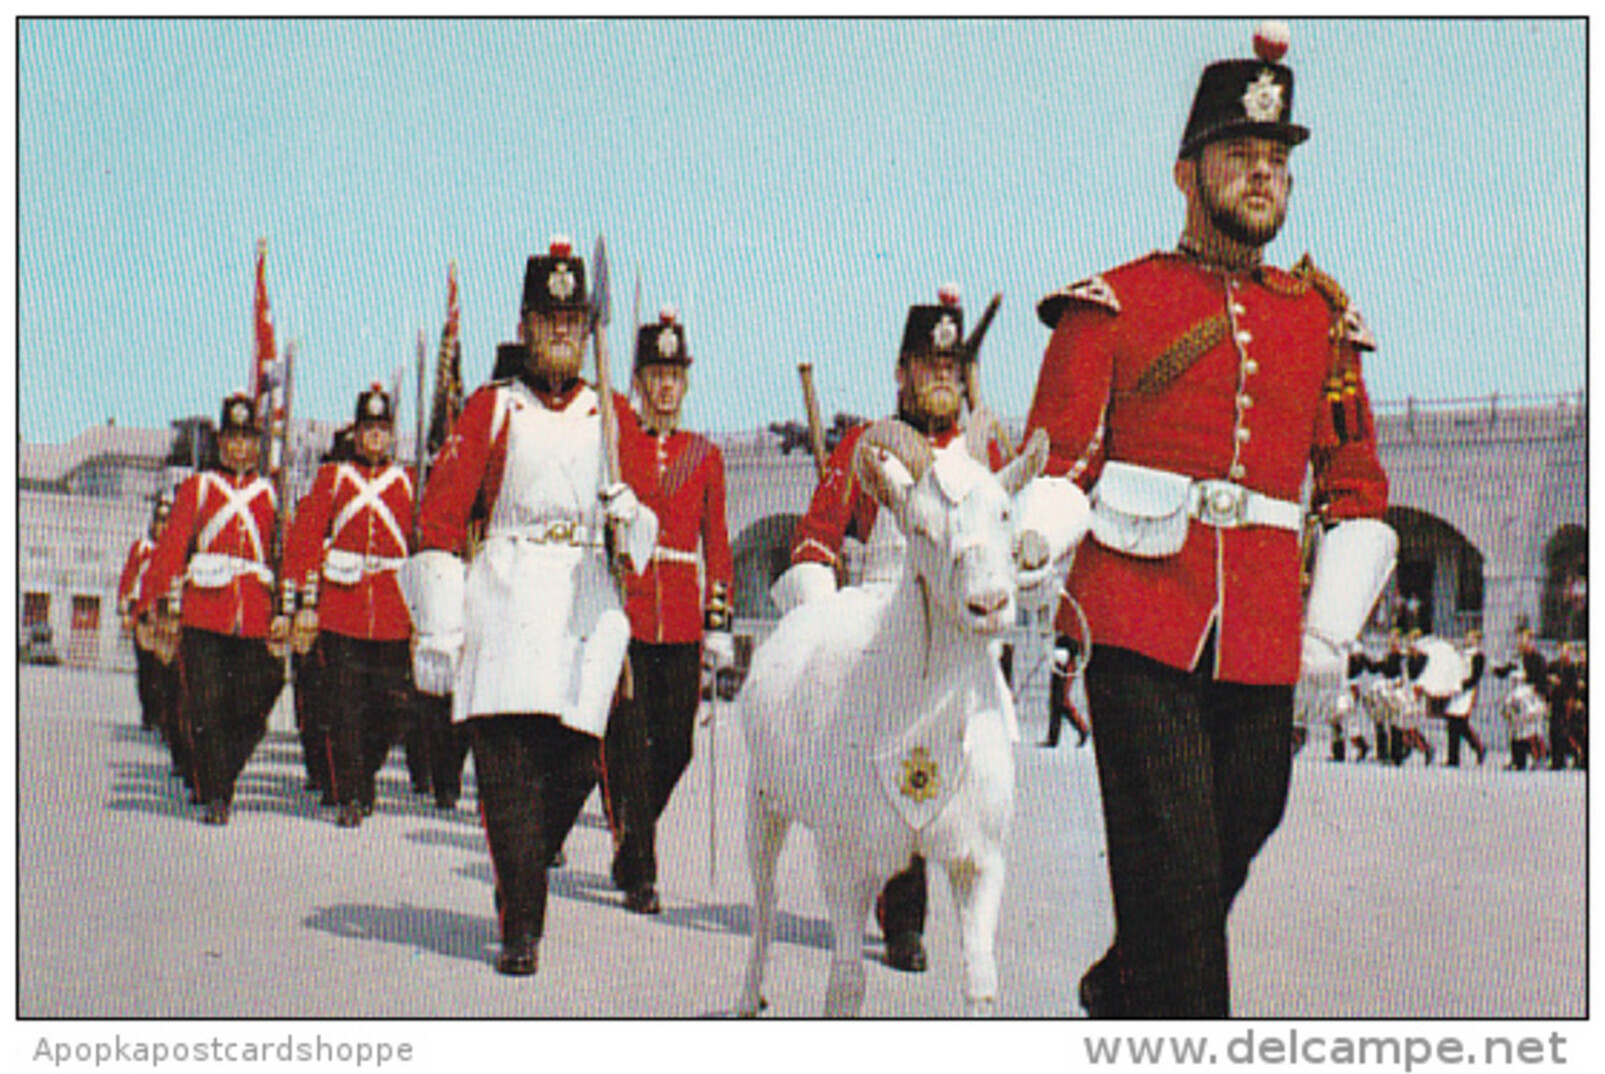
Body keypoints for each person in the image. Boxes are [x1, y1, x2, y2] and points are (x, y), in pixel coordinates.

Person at [1023, 23, 1393, 1017]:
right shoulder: (1113, 304)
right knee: (1178, 859)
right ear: (1187, 173)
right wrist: (1027, 546)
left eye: (1276, 161)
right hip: (1137, 613)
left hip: (1265, 629)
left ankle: (1124, 982)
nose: (1263, 176)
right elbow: (1058, 463)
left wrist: (1331, 628)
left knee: (1240, 822)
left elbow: (1355, 480)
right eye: (1240, 155)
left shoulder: (1321, 321)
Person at [402, 236, 657, 976]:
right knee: (507, 771)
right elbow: (441, 517)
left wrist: (627, 508)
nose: (560, 335)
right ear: (523, 325)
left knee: (576, 764)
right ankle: (522, 924)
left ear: (586, 330)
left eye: (572, 322)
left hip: (581, 597)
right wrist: (440, 628)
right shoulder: (494, 407)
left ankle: (520, 872)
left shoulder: (611, 414)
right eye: (547, 321)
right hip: (508, 595)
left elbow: (646, 533)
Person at [770, 282, 1022, 976]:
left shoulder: (984, 454)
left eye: (950, 367)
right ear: (901, 372)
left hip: (962, 636)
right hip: (882, 627)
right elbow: (814, 543)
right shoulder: (865, 448)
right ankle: (901, 919)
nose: (939, 378)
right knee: (893, 775)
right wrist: (820, 623)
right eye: (926, 365)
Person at [605, 306, 735, 915]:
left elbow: (718, 539)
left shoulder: (704, 455)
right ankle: (642, 873)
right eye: (654, 373)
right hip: (629, 609)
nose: (665, 384)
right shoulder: (619, 443)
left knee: (677, 746)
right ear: (639, 380)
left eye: (674, 374)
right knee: (631, 744)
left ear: (685, 382)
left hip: (681, 615)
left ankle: (630, 841)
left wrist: (719, 617)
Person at [137, 391, 286, 825]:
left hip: (253, 615)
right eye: (232, 439)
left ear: (257, 443)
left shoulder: (270, 494)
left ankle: (220, 774)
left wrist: (287, 608)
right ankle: (217, 791)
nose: (240, 447)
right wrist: (155, 603)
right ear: (221, 443)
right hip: (204, 610)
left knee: (254, 703)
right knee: (206, 705)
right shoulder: (198, 487)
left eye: (247, 438)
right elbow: (171, 550)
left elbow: (282, 555)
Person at [283, 383, 417, 827]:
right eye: (368, 429)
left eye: (382, 429)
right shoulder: (333, 478)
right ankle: (352, 793)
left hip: (393, 612)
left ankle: (366, 771)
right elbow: (305, 538)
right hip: (342, 607)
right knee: (344, 707)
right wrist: (302, 599)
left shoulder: (409, 482)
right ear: (356, 433)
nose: (375, 437)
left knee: (388, 710)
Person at [118, 496, 174, 733]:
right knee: (147, 668)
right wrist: (125, 609)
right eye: (159, 520)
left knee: (166, 668)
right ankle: (149, 713)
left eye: (167, 520)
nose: (163, 525)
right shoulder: (143, 548)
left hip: (166, 617)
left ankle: (164, 714)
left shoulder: (176, 552)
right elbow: (129, 578)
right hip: (143, 616)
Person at [1494, 627, 1549, 771]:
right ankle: (1518, 760)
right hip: (1518, 696)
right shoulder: (1517, 657)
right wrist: (1497, 670)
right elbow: (1507, 670)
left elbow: (1542, 678)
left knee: (1532, 730)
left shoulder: (1537, 658)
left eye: (1523, 638)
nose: (1520, 642)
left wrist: (1540, 694)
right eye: (1518, 638)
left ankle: (1540, 758)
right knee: (1515, 728)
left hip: (1531, 696)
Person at [1443, 628, 1487, 767]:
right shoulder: (1463, 653)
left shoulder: (1478, 656)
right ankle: (1453, 758)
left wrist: (1462, 685)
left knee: (1460, 722)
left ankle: (1477, 746)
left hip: (1467, 691)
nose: (1468, 640)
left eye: (1471, 637)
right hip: (1457, 689)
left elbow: (1475, 677)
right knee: (1452, 721)